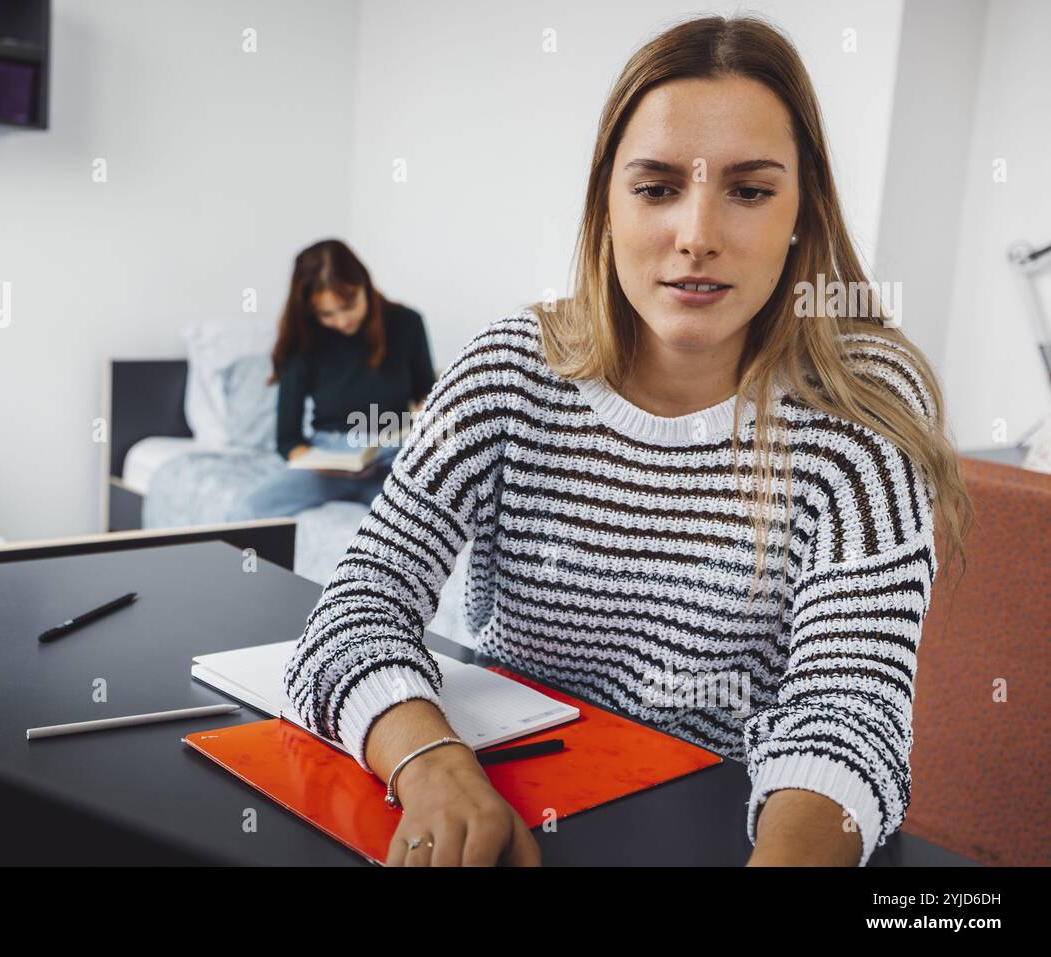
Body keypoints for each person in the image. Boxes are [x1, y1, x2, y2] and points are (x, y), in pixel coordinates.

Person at [282, 13, 974, 867]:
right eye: (655, 188)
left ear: (804, 210)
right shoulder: (510, 366)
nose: (696, 235)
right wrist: (431, 765)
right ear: (605, 206)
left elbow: (849, 715)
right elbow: (353, 611)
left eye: (750, 190)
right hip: (515, 816)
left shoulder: (863, 403)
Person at [223, 239, 436, 521]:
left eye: (348, 305)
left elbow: (427, 393)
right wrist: (317, 461)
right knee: (244, 514)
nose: (341, 320)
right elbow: (288, 440)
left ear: (365, 285)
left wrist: (425, 412)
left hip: (389, 457)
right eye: (327, 314)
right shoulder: (302, 340)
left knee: (419, 521)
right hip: (327, 459)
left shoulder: (406, 323)